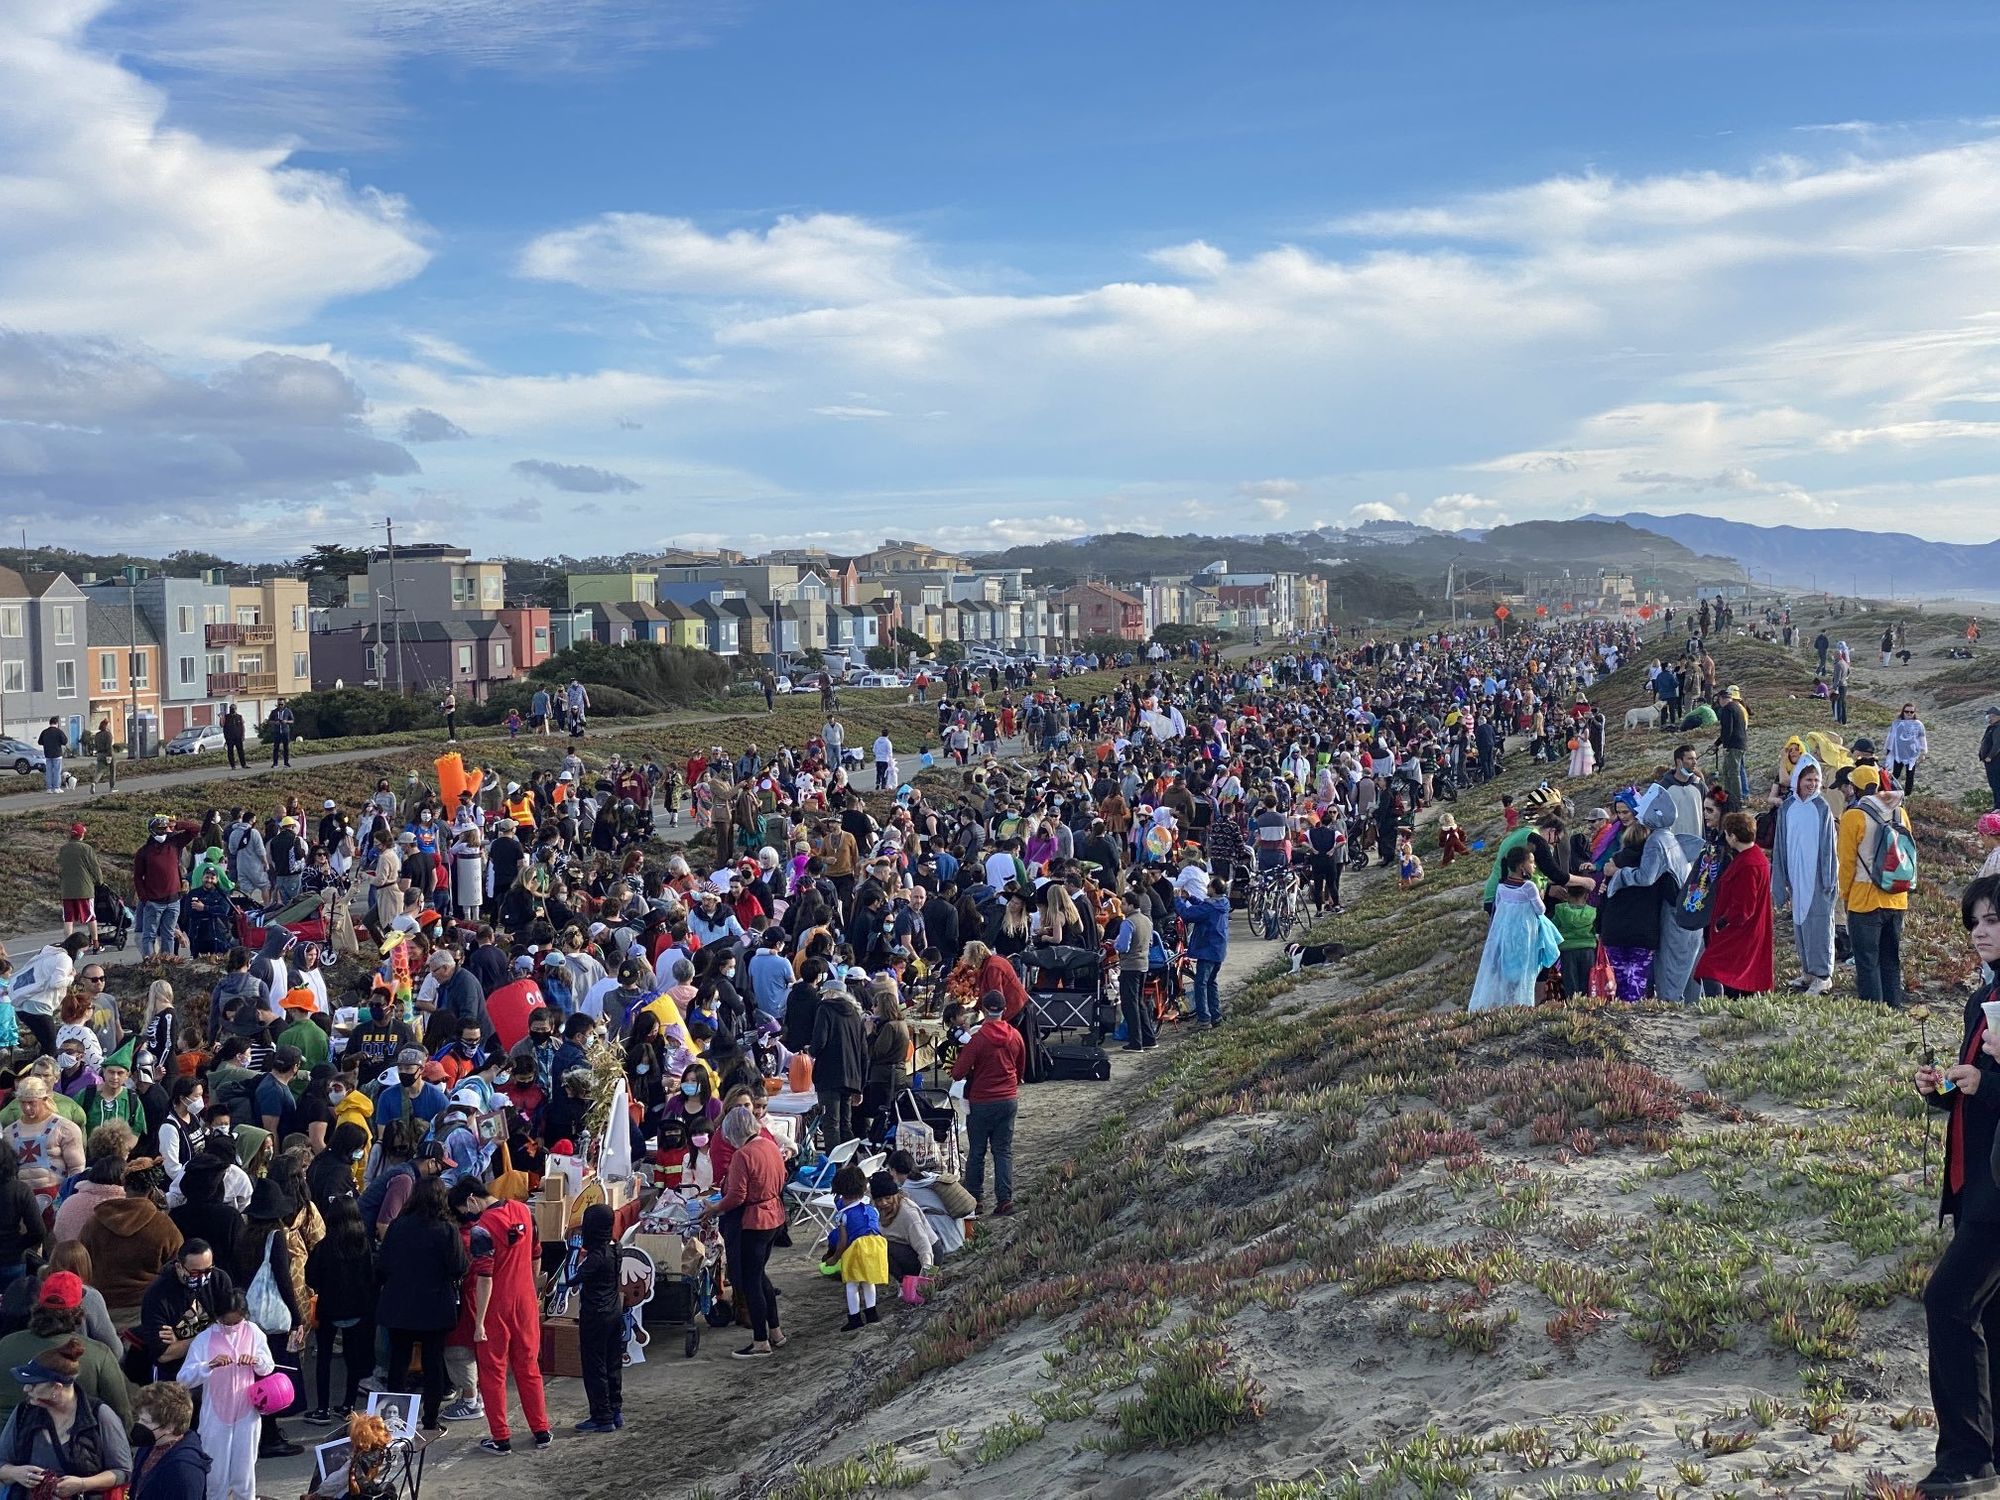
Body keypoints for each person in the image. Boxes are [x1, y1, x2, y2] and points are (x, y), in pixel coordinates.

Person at [1914, 874, 2000, 1496]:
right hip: (1977, 1181)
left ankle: (1967, 1456)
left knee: (1947, 1301)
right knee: (1989, 1316)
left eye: (1993, 920)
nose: (1981, 933)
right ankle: (1986, 1453)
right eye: (1974, 923)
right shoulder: (1983, 1000)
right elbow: (1981, 1091)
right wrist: (1943, 1087)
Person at [449, 1178, 549, 1455]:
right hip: (525, 1302)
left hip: (495, 1307)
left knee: (493, 1372)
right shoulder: (525, 1211)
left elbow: (485, 1278)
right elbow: (536, 1255)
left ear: (471, 1199)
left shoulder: (482, 1229)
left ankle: (501, 1437)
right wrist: (530, 1289)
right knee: (529, 1368)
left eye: (464, 1208)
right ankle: (541, 1430)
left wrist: (479, 1322)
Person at [376, 1178, 466, 1437]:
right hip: (434, 1306)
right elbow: (459, 1266)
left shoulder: (398, 1226)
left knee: (399, 1361)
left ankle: (393, 1420)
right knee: (433, 1362)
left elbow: (383, 1265)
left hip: (399, 1304)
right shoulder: (447, 1229)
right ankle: (429, 1420)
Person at [0, 1338, 129, 1500]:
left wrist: (83, 1484)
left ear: (56, 1387)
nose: (26, 1389)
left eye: (33, 1385)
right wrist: (15, 1473)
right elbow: (2, 1462)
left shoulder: (99, 1414)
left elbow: (123, 1471)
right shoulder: (23, 1412)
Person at [174, 1290, 271, 1500]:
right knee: (215, 1478)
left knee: (245, 1477)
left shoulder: (254, 1332)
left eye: (237, 1323)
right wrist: (208, 1365)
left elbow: (268, 1367)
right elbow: (183, 1378)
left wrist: (256, 1360)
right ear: (218, 1317)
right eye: (227, 1323)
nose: (232, 1328)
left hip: (247, 1414)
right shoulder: (204, 1339)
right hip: (216, 1417)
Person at [709, 1106, 785, 1361]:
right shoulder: (770, 1145)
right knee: (761, 1275)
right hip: (774, 1215)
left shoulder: (743, 1155)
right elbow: (782, 1176)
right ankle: (775, 1331)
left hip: (754, 1221)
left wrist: (714, 1209)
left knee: (751, 1281)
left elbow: (736, 1196)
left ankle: (760, 1340)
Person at [1838, 765, 1911, 1008]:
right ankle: (1894, 1006)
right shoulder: (1900, 813)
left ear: (1856, 788)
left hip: (1864, 898)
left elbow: (1847, 863)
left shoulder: (1853, 817)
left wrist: (1845, 896)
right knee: (1891, 958)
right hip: (1897, 895)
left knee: (1867, 960)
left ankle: (1873, 1011)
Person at [950, 992, 1024, 1217]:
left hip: (982, 1100)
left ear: (983, 1009)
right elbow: (1021, 1069)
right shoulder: (1015, 1035)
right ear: (1004, 1008)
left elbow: (957, 1072)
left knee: (977, 1152)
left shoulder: (978, 1039)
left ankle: (975, 1199)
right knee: (1003, 1151)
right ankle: (1005, 1199)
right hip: (1007, 1098)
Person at [1770, 755, 1838, 995]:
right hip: (1797, 875)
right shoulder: (1788, 808)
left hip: (1817, 877)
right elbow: (1780, 845)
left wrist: (1829, 879)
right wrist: (1781, 879)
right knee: (1800, 922)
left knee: (1819, 922)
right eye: (1808, 779)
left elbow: (1829, 847)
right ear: (1798, 780)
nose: (1812, 783)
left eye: (1816, 779)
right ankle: (1808, 970)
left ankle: (1823, 974)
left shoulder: (1822, 808)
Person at [302, 1198, 373, 1424]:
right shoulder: (364, 1244)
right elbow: (371, 1277)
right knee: (353, 1358)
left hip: (329, 1308)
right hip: (358, 1309)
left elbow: (311, 1277)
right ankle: (348, 1405)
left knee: (324, 1357)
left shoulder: (324, 1246)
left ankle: (322, 1408)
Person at [1469, 843, 1558, 1012]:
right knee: (1524, 971)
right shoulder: (1529, 887)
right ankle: (1522, 1005)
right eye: (1531, 862)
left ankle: (1505, 1005)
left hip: (1506, 935)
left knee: (1507, 972)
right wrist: (1541, 895)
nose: (1534, 866)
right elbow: (1541, 909)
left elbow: (1499, 908)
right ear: (1521, 866)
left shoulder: (1502, 886)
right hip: (1524, 935)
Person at [1694, 812, 1773, 997]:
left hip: (1740, 931)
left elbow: (1745, 906)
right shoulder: (1755, 858)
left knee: (1711, 966)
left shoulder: (1748, 864)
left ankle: (1720, 1004)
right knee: (1737, 975)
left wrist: (1724, 921)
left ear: (1733, 836)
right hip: (1747, 930)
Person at [569, 1205, 625, 1430]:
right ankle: (615, 1410)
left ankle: (601, 1416)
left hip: (595, 1315)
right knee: (613, 1362)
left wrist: (574, 1251)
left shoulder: (595, 1258)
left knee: (595, 1366)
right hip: (614, 1312)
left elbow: (570, 1278)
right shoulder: (616, 1249)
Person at [821, 1165, 887, 1331]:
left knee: (852, 1284)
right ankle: (872, 1313)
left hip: (857, 1248)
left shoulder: (843, 1214)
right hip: (877, 1245)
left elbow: (843, 1242)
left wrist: (834, 1258)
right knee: (868, 1281)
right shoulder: (872, 1209)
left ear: (841, 1192)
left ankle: (855, 1318)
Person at [127, 1382, 208, 1500]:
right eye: (139, 1419)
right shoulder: (151, 1444)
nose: (139, 1425)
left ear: (170, 1426)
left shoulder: (185, 1471)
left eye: (146, 1422)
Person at [1174, 875, 1230, 1029]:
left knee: (1201, 984)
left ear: (1214, 889)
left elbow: (1187, 915)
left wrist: (1178, 900)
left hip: (1207, 950)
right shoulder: (1223, 903)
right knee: (1211, 983)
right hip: (1218, 949)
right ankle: (1215, 1016)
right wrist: (1190, 898)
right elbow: (1203, 908)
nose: (1206, 888)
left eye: (1209, 886)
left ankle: (1204, 1019)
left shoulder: (1210, 907)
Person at [1113, 889, 1157, 1051]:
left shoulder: (1128, 922)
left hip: (1130, 966)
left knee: (1129, 1005)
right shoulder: (1146, 920)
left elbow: (1123, 946)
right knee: (1139, 1002)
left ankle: (1135, 1042)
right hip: (1143, 965)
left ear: (1131, 905)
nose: (1121, 906)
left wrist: (1115, 944)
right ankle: (1149, 1039)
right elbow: (1151, 942)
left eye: (1123, 903)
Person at [56, 827, 102, 952]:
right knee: (90, 916)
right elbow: (94, 867)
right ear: (81, 835)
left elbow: (60, 867)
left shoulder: (63, 849)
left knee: (68, 919)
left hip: (67, 890)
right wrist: (99, 881)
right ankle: (95, 942)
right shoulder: (86, 848)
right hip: (84, 889)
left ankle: (68, 946)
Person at [1886, 701, 1931, 797]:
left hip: (1912, 754)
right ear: (1903, 712)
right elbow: (1891, 736)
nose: (1909, 714)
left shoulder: (1918, 724)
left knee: (1910, 775)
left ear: (1914, 713)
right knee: (1895, 774)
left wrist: (1923, 753)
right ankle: (1890, 790)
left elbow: (1922, 738)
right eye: (1907, 711)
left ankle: (1907, 794)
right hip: (1899, 752)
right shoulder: (1896, 723)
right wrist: (1889, 750)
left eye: (1911, 712)